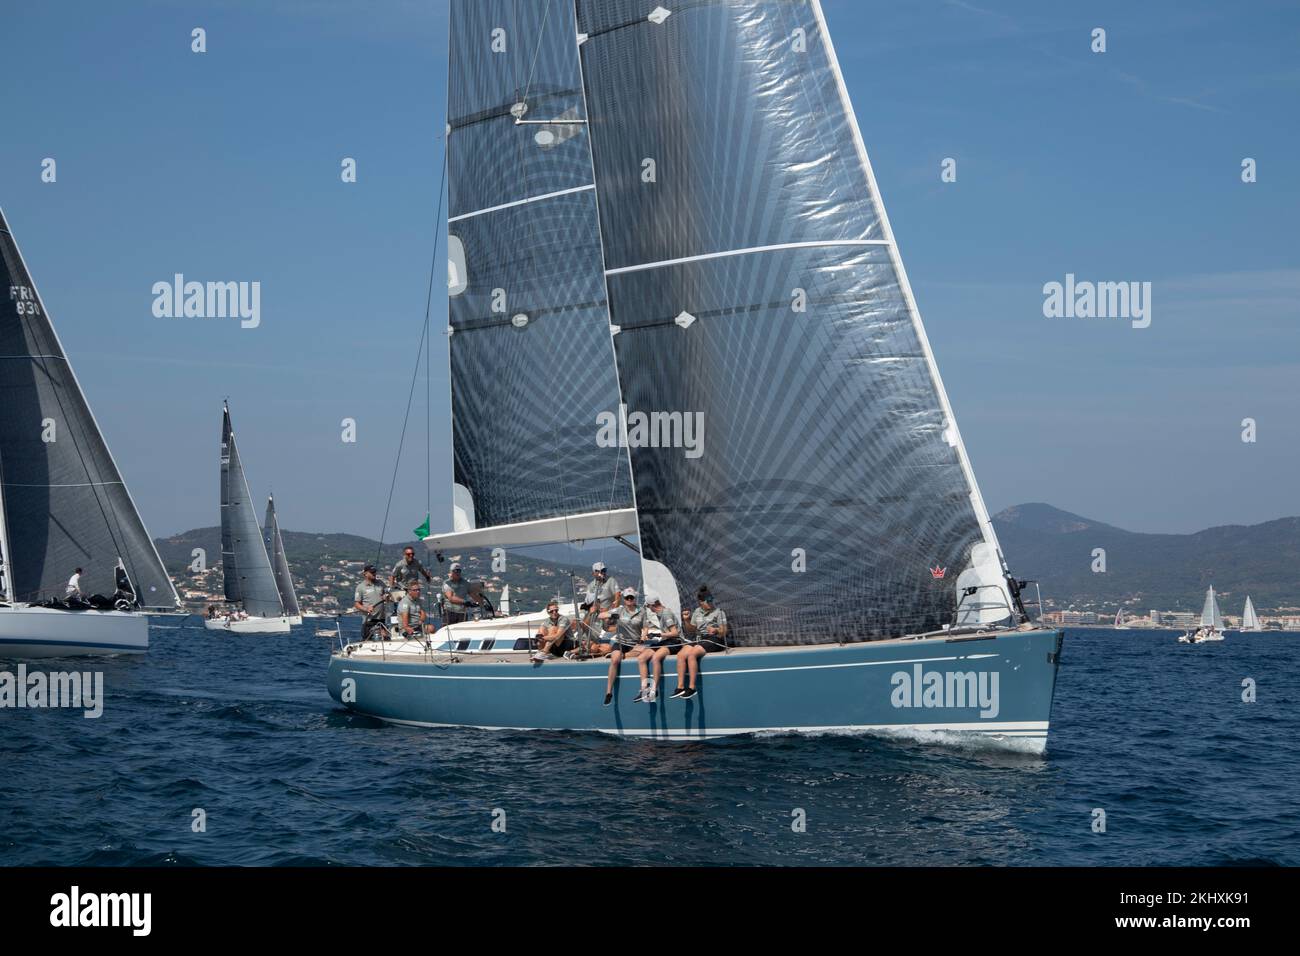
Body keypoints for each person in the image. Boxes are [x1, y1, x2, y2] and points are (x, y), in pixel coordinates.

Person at [675, 585, 727, 699]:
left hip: (714, 639)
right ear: (700, 602)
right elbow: (691, 630)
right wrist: (687, 620)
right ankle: (680, 687)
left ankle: (692, 688)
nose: (710, 603)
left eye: (711, 600)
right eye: (707, 601)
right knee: (681, 654)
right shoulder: (697, 612)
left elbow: (724, 631)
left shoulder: (719, 612)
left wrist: (716, 629)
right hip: (700, 639)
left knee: (692, 653)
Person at [353, 564, 388, 641]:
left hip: (381, 619)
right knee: (368, 641)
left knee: (386, 639)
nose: (374, 574)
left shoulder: (381, 583)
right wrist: (366, 609)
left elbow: (388, 595)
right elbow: (357, 604)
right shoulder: (361, 587)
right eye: (372, 572)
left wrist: (387, 597)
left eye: (375, 572)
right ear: (365, 574)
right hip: (369, 620)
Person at [584, 561, 621, 628]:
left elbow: (618, 596)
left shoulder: (611, 580)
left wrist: (611, 611)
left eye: (604, 570)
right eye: (601, 571)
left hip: (609, 611)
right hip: (596, 612)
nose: (603, 573)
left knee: (607, 622)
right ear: (594, 573)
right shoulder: (591, 586)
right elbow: (588, 603)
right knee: (582, 623)